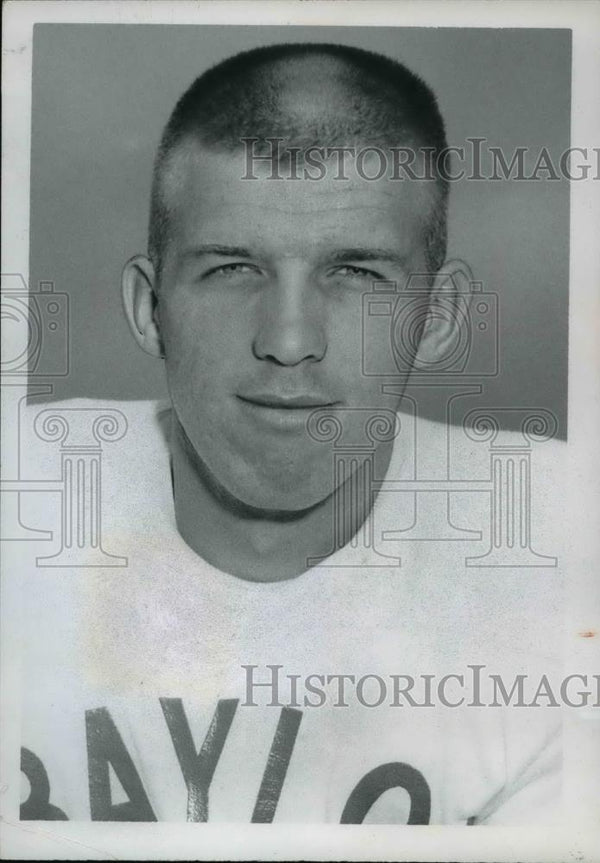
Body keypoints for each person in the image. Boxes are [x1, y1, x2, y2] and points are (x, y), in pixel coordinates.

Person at [19, 42, 565, 824]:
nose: (287, 338)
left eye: (356, 273)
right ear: (149, 308)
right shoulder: (20, 500)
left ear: (438, 317)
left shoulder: (568, 555)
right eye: (233, 267)